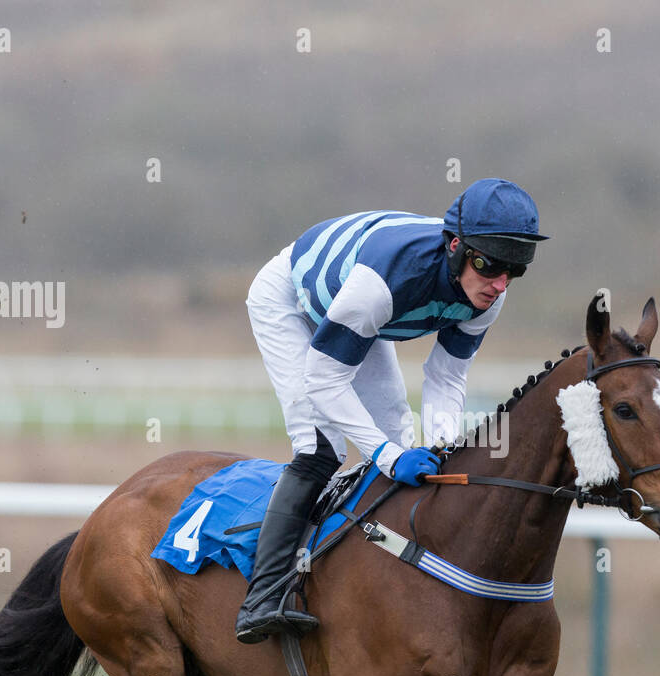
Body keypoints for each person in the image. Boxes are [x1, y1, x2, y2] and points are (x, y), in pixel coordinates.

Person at [235, 177, 548, 643]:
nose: (499, 284)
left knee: (406, 446)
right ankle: (261, 599)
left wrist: (443, 448)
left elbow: (446, 378)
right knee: (321, 446)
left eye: (515, 270)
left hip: (361, 317)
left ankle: (382, 588)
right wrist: (387, 456)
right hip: (291, 301)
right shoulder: (383, 285)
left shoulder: (488, 296)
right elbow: (324, 379)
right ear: (456, 247)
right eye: (489, 265)